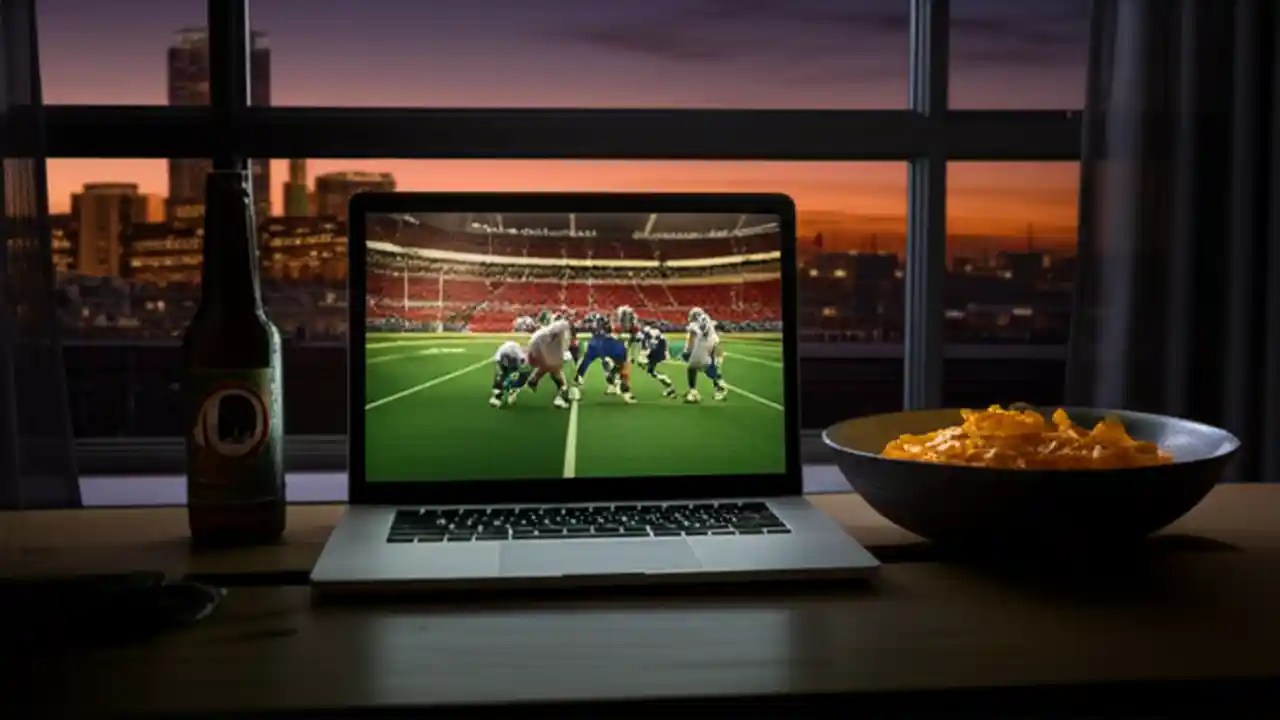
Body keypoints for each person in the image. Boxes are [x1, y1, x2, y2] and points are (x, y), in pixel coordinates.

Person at [525, 318, 574, 409]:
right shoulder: (553, 335)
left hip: (539, 346)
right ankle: (561, 395)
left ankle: (533, 380)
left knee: (552, 367)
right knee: (554, 368)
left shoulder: (552, 332)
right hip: (539, 347)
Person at [682, 307, 727, 403]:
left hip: (702, 344)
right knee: (706, 366)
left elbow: (692, 338)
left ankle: (719, 386)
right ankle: (695, 390)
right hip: (713, 343)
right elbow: (716, 334)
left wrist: (688, 351)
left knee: (694, 367)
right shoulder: (709, 320)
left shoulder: (694, 324)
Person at [489, 340, 530, 408]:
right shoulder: (500, 353)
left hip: (515, 360)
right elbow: (498, 364)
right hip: (507, 358)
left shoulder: (517, 352)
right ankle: (499, 393)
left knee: (515, 375)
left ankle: (511, 390)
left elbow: (523, 363)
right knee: (502, 375)